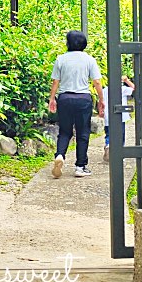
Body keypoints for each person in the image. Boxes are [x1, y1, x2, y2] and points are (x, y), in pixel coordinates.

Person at [46, 30, 105, 179]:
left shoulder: (61, 59)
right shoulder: (89, 60)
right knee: (83, 133)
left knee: (65, 131)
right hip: (83, 99)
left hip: (65, 98)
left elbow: (55, 81)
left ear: (68, 43)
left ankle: (60, 155)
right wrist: (101, 100)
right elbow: (97, 81)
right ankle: (80, 166)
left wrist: (52, 99)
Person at [103, 74, 134, 162]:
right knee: (121, 134)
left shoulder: (105, 89)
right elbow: (135, 89)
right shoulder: (122, 89)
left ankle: (108, 145)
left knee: (109, 133)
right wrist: (127, 81)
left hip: (108, 116)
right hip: (121, 115)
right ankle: (120, 152)